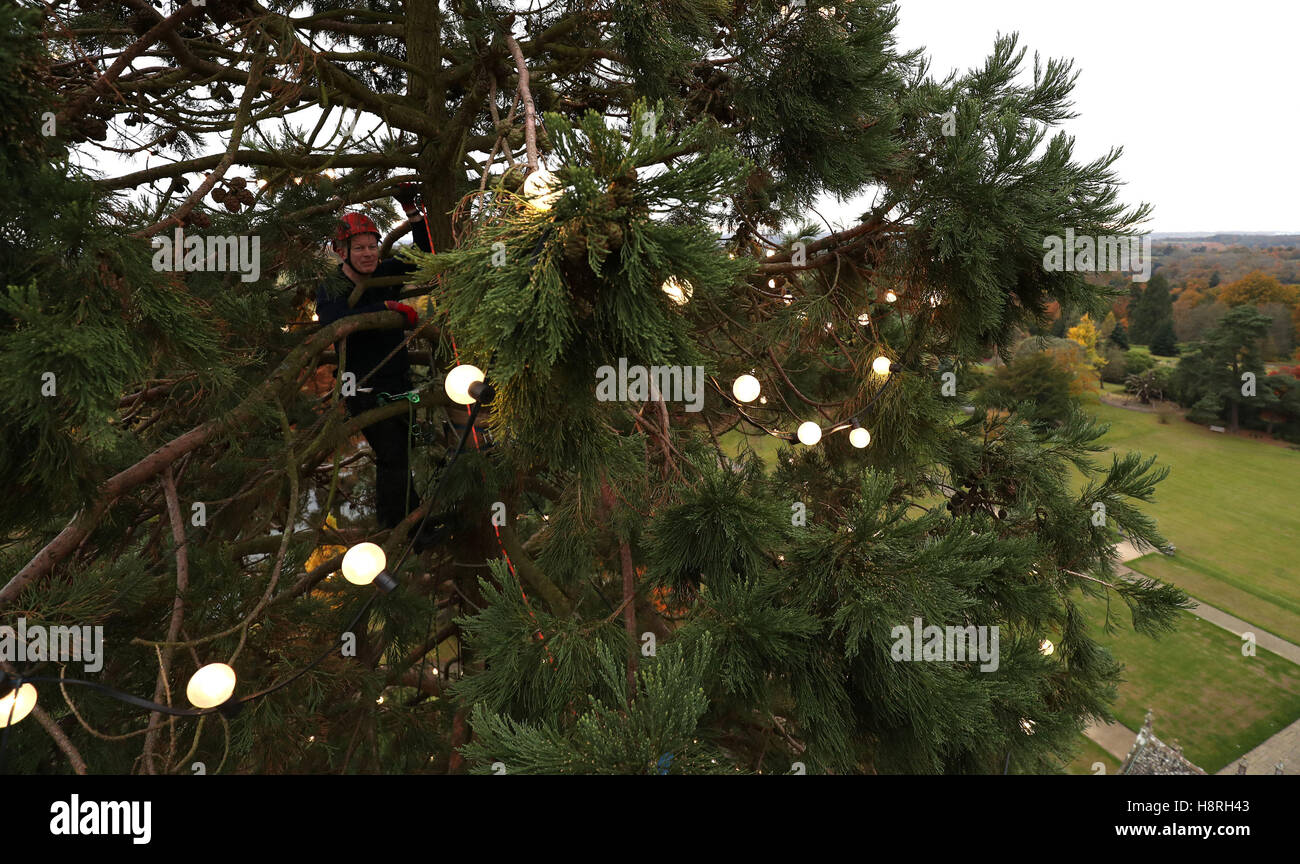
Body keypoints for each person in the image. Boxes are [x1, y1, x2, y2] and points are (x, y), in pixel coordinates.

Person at [316, 186, 436, 540]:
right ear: (342, 252)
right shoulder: (332, 286)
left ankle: (410, 523)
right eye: (359, 248)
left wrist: (414, 214)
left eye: (371, 246)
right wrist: (382, 310)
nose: (368, 254)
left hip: (398, 380)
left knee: (401, 455)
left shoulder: (384, 274)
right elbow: (334, 322)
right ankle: (403, 528)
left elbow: (428, 253)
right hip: (365, 387)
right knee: (393, 455)